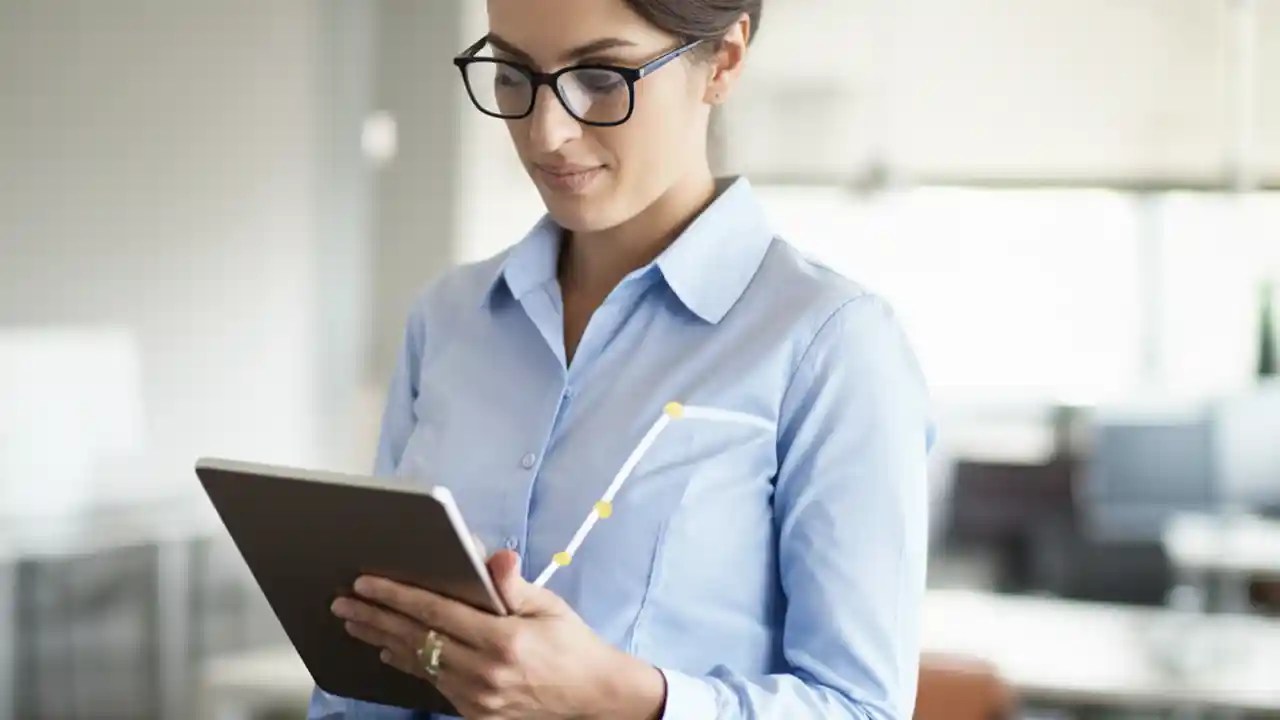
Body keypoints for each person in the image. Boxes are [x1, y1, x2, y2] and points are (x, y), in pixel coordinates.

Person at [309, 0, 932, 717]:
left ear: (723, 61)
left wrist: (621, 697)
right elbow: (362, 672)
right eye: (513, 74)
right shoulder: (448, 320)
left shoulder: (832, 346)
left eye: (603, 77)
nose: (547, 131)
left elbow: (862, 708)